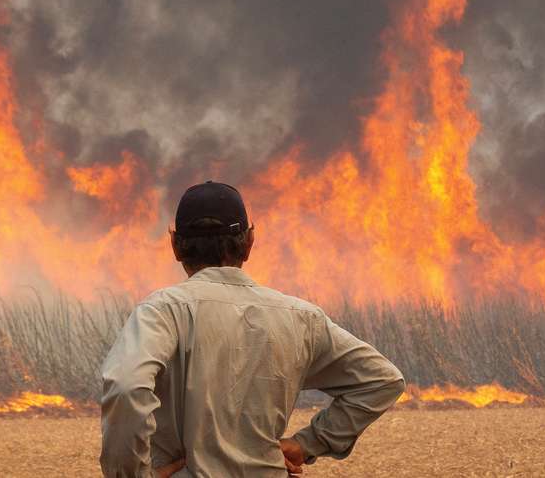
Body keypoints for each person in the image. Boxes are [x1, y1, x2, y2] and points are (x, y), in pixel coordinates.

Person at [99, 181, 406, 477]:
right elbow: (381, 380)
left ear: (176, 246)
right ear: (249, 243)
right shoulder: (299, 317)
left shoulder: (163, 311)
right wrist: (307, 443)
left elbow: (126, 386)